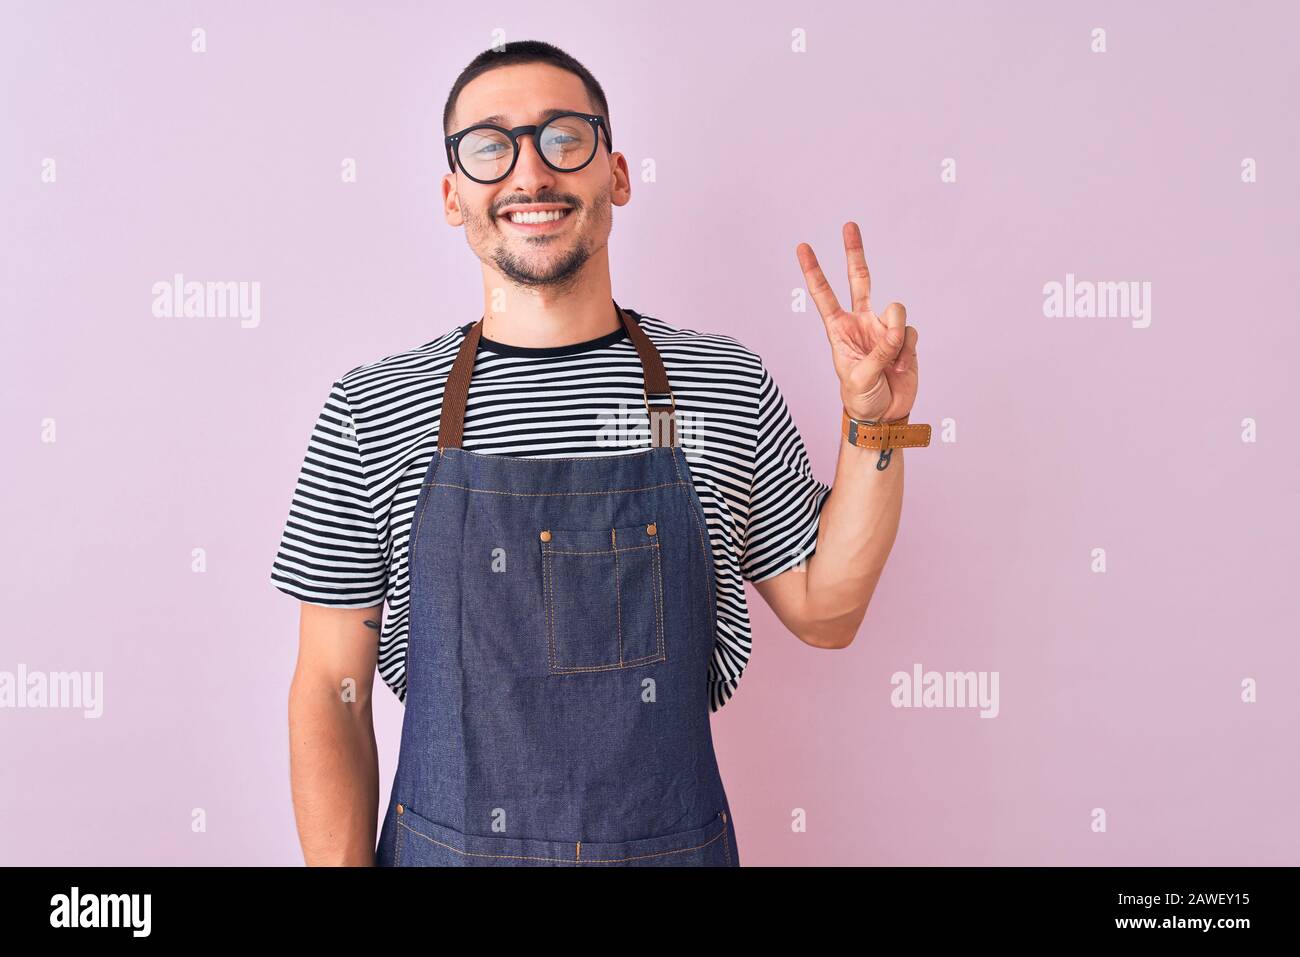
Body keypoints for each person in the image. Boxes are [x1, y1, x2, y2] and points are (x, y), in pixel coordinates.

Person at [272, 39, 927, 867]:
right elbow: (332, 691)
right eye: (490, 147)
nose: (530, 174)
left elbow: (828, 613)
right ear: (452, 194)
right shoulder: (371, 408)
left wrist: (875, 424)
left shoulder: (721, 383)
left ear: (615, 174)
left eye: (563, 138)